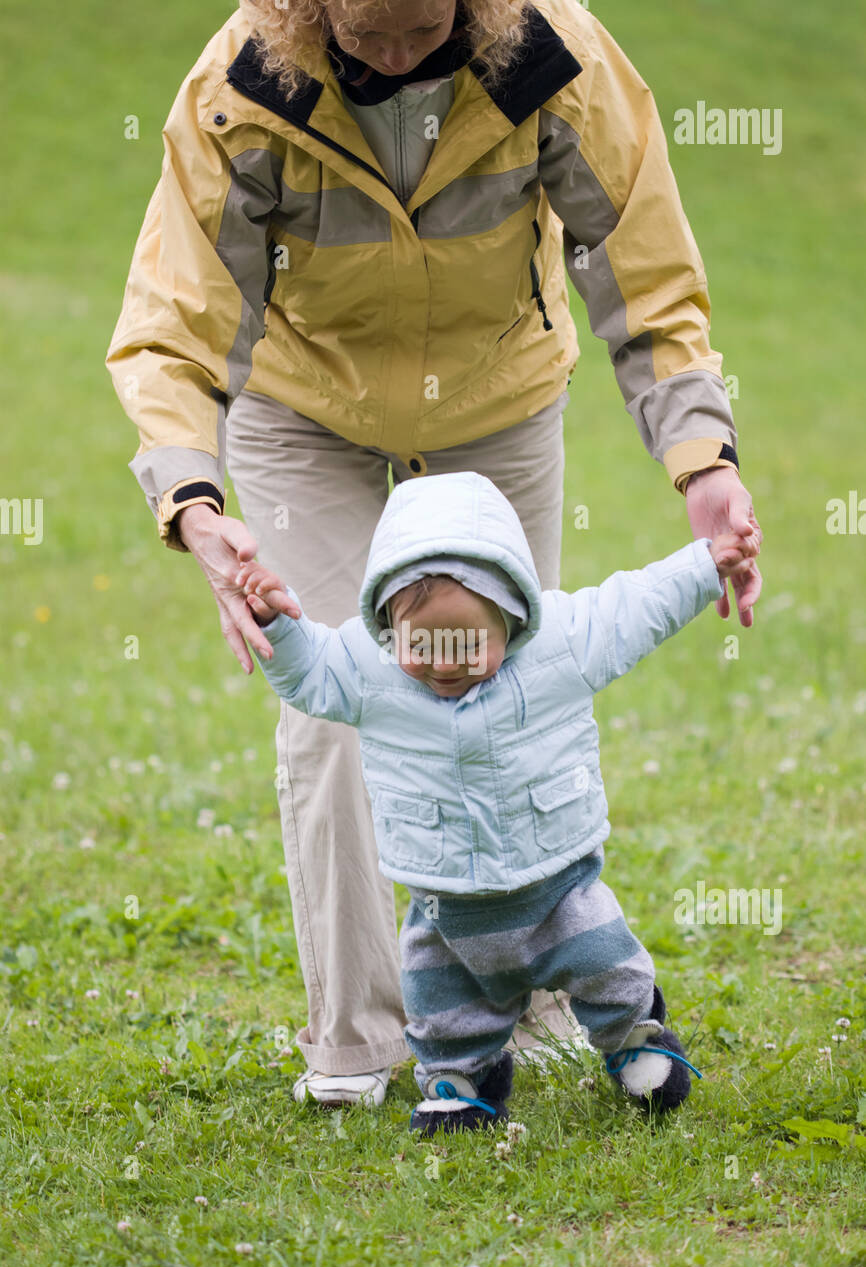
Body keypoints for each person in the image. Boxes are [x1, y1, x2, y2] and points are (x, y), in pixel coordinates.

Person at [104, 0, 762, 1106]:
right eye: (370, 36)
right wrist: (192, 499)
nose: (399, 59)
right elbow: (176, 315)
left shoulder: (554, 55)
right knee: (332, 704)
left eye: (422, 33)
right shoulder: (242, 85)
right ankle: (357, 1041)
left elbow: (640, 263)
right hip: (304, 406)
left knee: (518, 689)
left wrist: (702, 458)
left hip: (492, 401)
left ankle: (531, 997)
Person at [233, 469, 759, 1132]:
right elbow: (311, 671)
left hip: (559, 888)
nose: (443, 662)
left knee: (606, 964)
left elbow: (637, 604)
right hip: (445, 906)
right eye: (420, 644)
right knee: (440, 1003)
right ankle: (460, 1081)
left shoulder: (562, 641)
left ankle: (634, 1038)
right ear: (389, 623)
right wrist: (275, 626)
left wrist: (706, 564)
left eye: (467, 643)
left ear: (511, 614)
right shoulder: (368, 668)